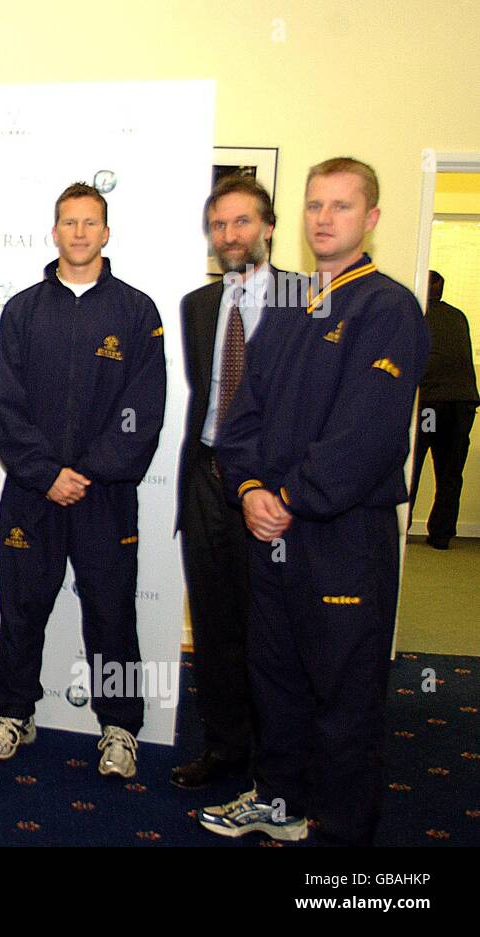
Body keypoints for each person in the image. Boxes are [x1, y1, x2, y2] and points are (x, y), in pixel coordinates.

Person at [204, 158, 429, 844]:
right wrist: (247, 490)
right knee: (274, 675)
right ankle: (279, 801)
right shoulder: (293, 306)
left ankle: (340, 832)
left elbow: (365, 435)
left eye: (340, 206)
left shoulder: (388, 308)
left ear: (372, 218)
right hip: (268, 529)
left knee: (344, 692)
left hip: (341, 537)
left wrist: (289, 495)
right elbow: (240, 420)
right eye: (314, 205)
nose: (324, 218)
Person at [0, 182, 166, 775]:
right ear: (54, 231)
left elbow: (143, 411)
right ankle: (15, 713)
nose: (79, 233)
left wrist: (85, 472)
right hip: (33, 494)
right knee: (21, 608)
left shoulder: (137, 313)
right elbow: (6, 408)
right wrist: (46, 473)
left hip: (104, 497)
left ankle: (119, 727)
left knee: (112, 612)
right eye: (69, 223)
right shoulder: (23, 310)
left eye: (90, 223)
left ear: (106, 233)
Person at [171, 175, 286, 789]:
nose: (229, 236)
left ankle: (277, 759)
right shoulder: (199, 305)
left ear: (268, 227)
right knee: (214, 625)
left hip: (273, 489)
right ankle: (223, 748)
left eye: (242, 223)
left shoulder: (306, 299)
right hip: (208, 479)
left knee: (271, 629)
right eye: (219, 225)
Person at [409, 270, 478, 549]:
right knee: (450, 472)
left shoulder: (418, 315)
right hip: (462, 405)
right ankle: (441, 535)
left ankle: (402, 526)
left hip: (431, 405)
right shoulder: (458, 316)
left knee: (413, 466)